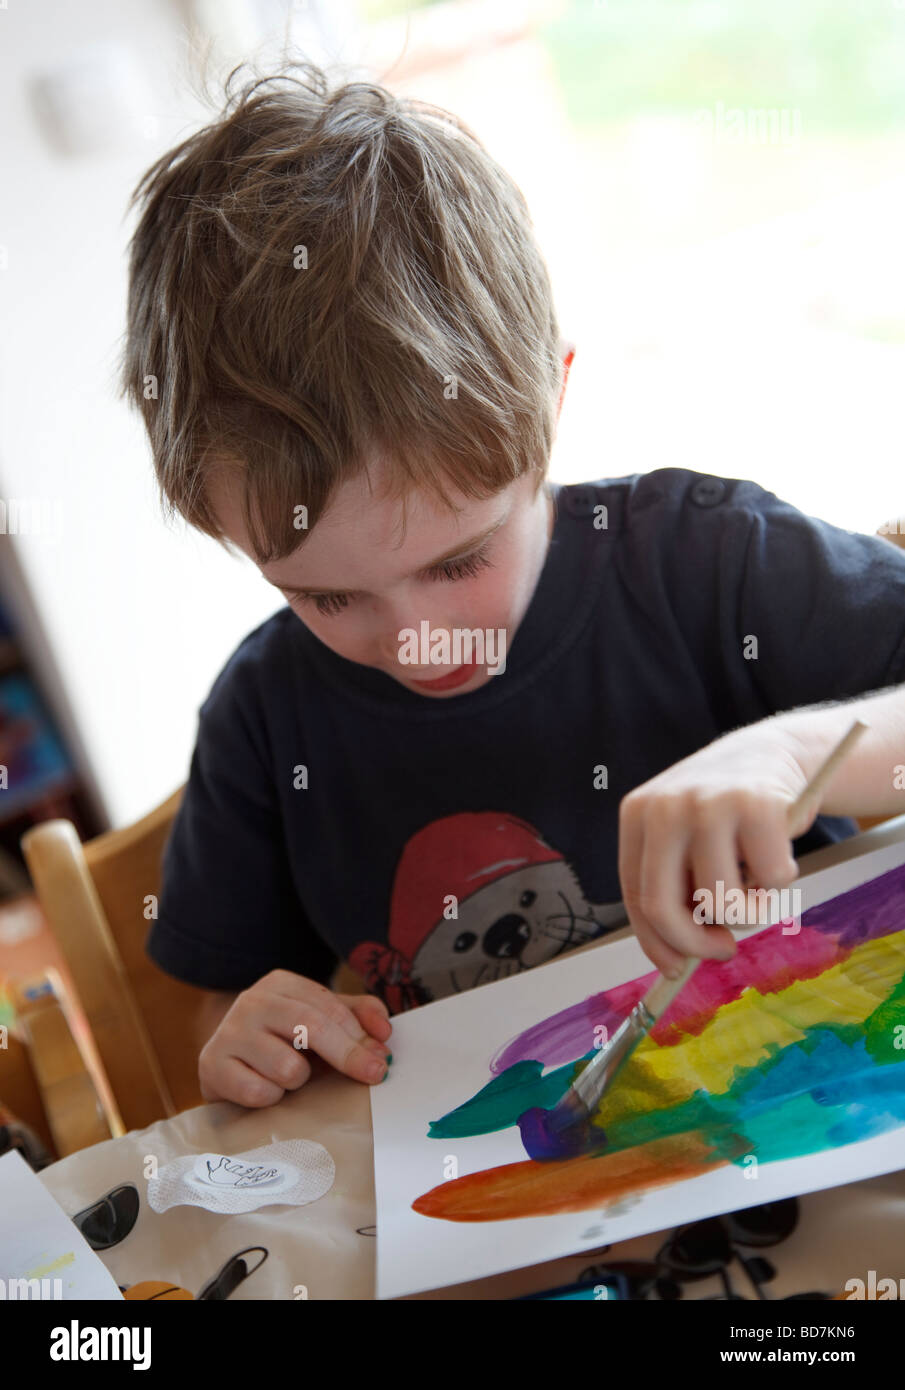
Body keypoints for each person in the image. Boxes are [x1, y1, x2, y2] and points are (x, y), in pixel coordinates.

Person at [119, 62, 905, 1108]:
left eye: (456, 561)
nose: (416, 641)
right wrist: (253, 1037)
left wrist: (795, 751)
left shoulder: (709, 561)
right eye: (327, 597)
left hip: (810, 1106)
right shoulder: (264, 723)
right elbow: (218, 1011)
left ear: (550, 401)